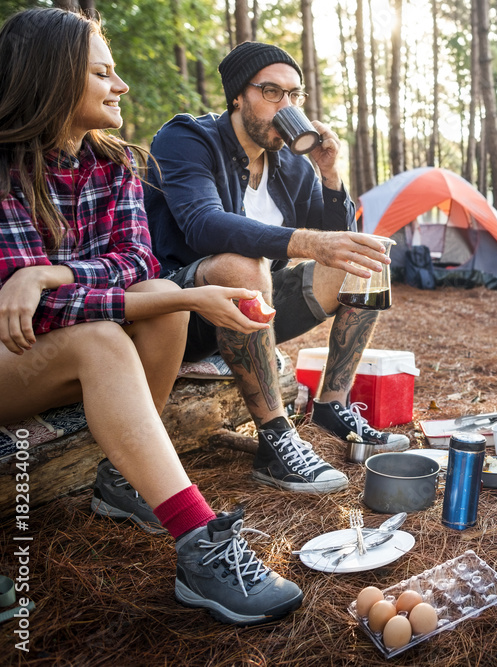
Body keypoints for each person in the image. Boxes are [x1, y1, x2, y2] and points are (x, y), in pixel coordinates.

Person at [0, 8, 302, 625]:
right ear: (53, 77)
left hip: (59, 342)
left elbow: (136, 263)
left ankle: (121, 479)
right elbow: (48, 312)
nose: (122, 86)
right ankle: (200, 542)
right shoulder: (5, 168)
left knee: (160, 304)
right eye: (103, 73)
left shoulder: (115, 165)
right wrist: (173, 295)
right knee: (104, 338)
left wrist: (50, 273)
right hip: (11, 358)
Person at [143, 41, 409, 495]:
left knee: (367, 257)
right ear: (237, 96)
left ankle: (332, 404)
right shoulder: (187, 139)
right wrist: (304, 241)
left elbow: (338, 240)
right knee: (241, 266)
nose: (287, 106)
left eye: (295, 95)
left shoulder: (293, 165)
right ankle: (275, 440)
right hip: (180, 310)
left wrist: (330, 174)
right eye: (272, 92)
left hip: (252, 310)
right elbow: (202, 225)